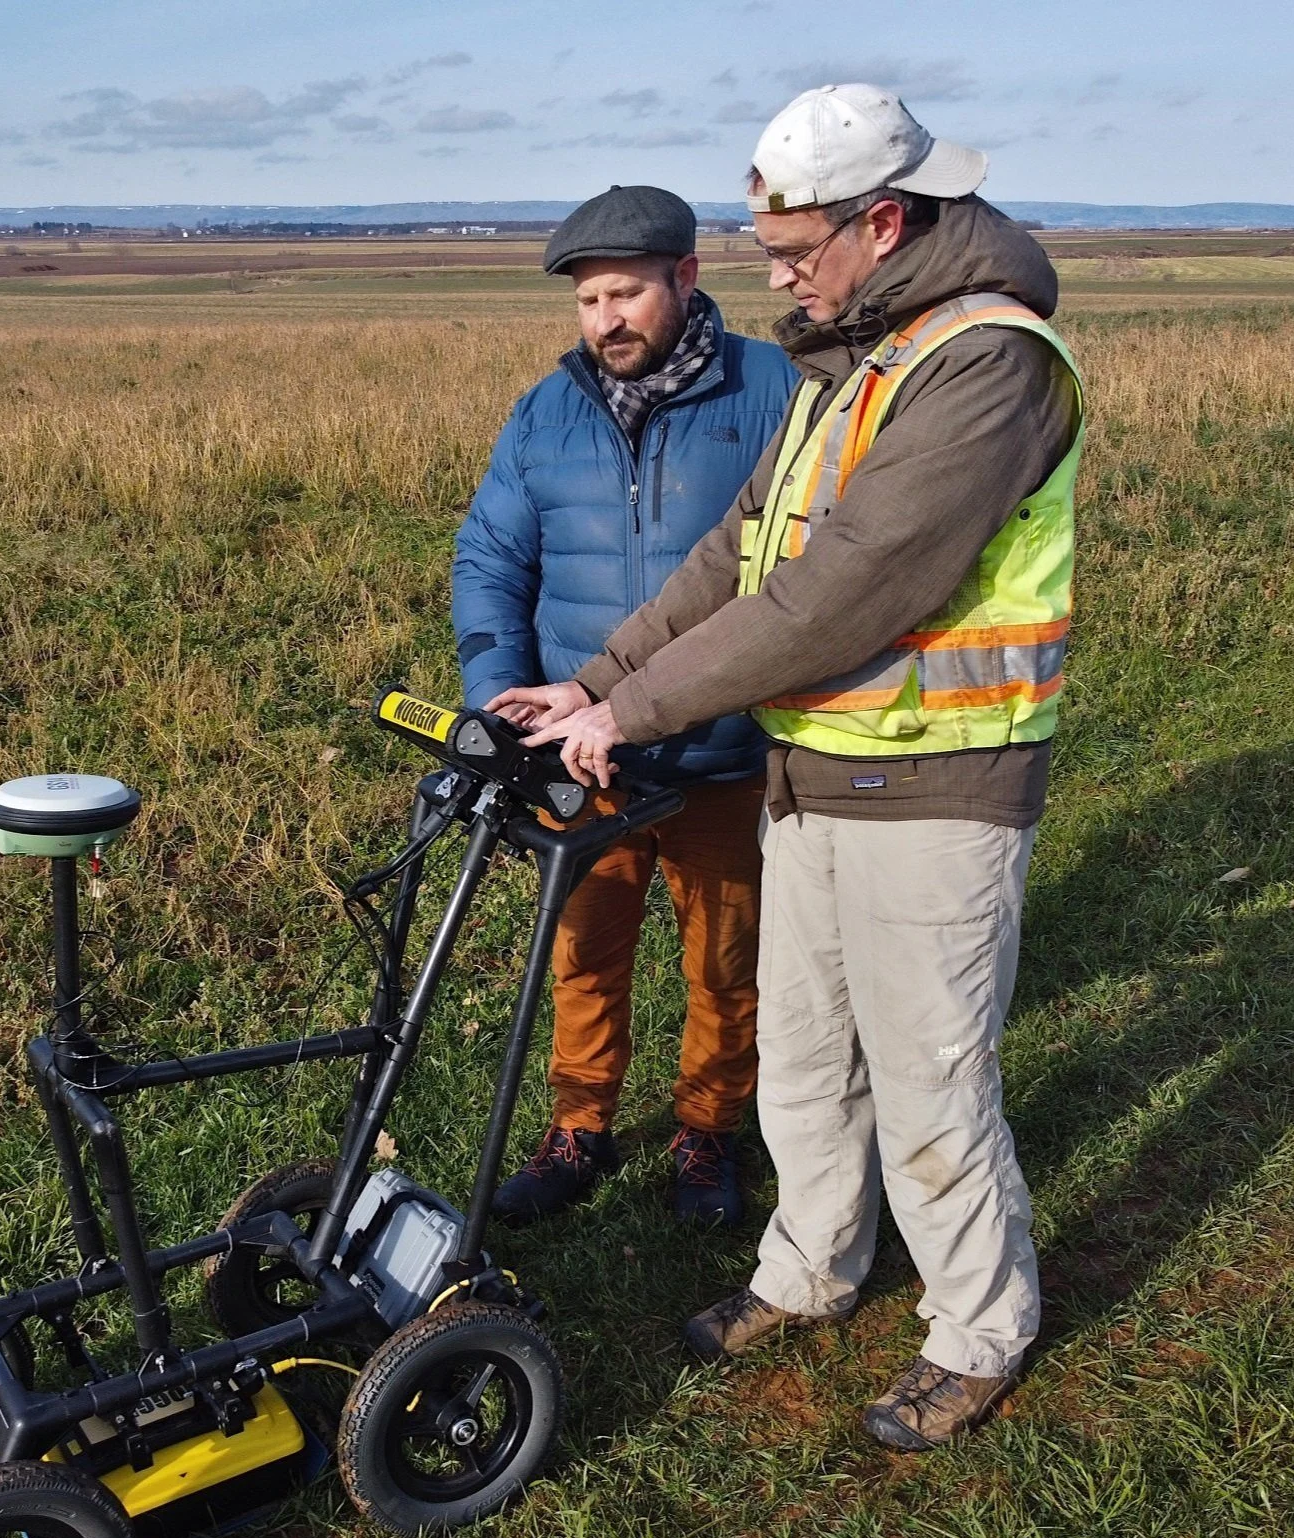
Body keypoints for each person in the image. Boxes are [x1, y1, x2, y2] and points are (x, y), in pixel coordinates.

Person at [491, 85, 1083, 1449]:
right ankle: (805, 1270)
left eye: (793, 248)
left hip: (938, 785)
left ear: (880, 222)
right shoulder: (850, 364)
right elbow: (735, 557)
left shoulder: (986, 363)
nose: (773, 277)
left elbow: (840, 595)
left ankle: (977, 1328)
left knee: (932, 1079)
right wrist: (588, 679)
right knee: (803, 1066)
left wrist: (631, 715)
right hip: (809, 775)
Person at [452, 184, 797, 1228]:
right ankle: (581, 1126)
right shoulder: (545, 410)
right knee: (584, 952)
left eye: (624, 294)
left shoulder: (774, 390)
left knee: (725, 962)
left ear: (685, 280)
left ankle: (706, 1131)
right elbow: (490, 557)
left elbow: (797, 572)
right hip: (578, 755)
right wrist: (498, 707)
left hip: (722, 748)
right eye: (587, 299)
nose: (604, 318)